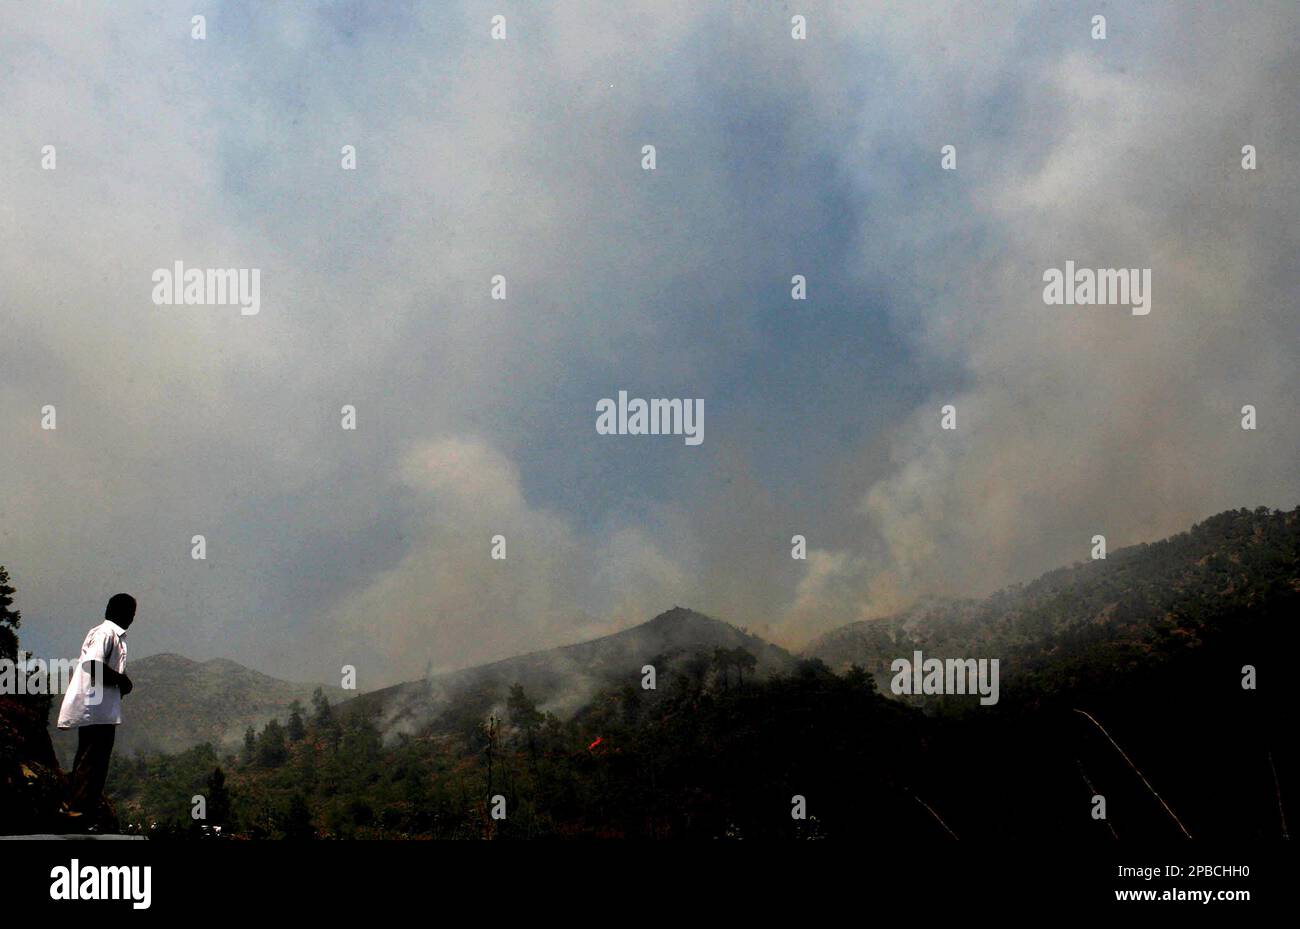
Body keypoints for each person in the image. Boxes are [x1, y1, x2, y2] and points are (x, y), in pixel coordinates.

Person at [57, 593, 136, 823]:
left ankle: (84, 811)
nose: (132, 618)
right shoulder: (106, 633)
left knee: (96, 762)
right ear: (120, 612)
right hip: (95, 708)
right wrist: (122, 681)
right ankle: (76, 810)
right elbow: (93, 664)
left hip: (102, 710)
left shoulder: (114, 636)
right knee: (92, 761)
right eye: (130, 612)